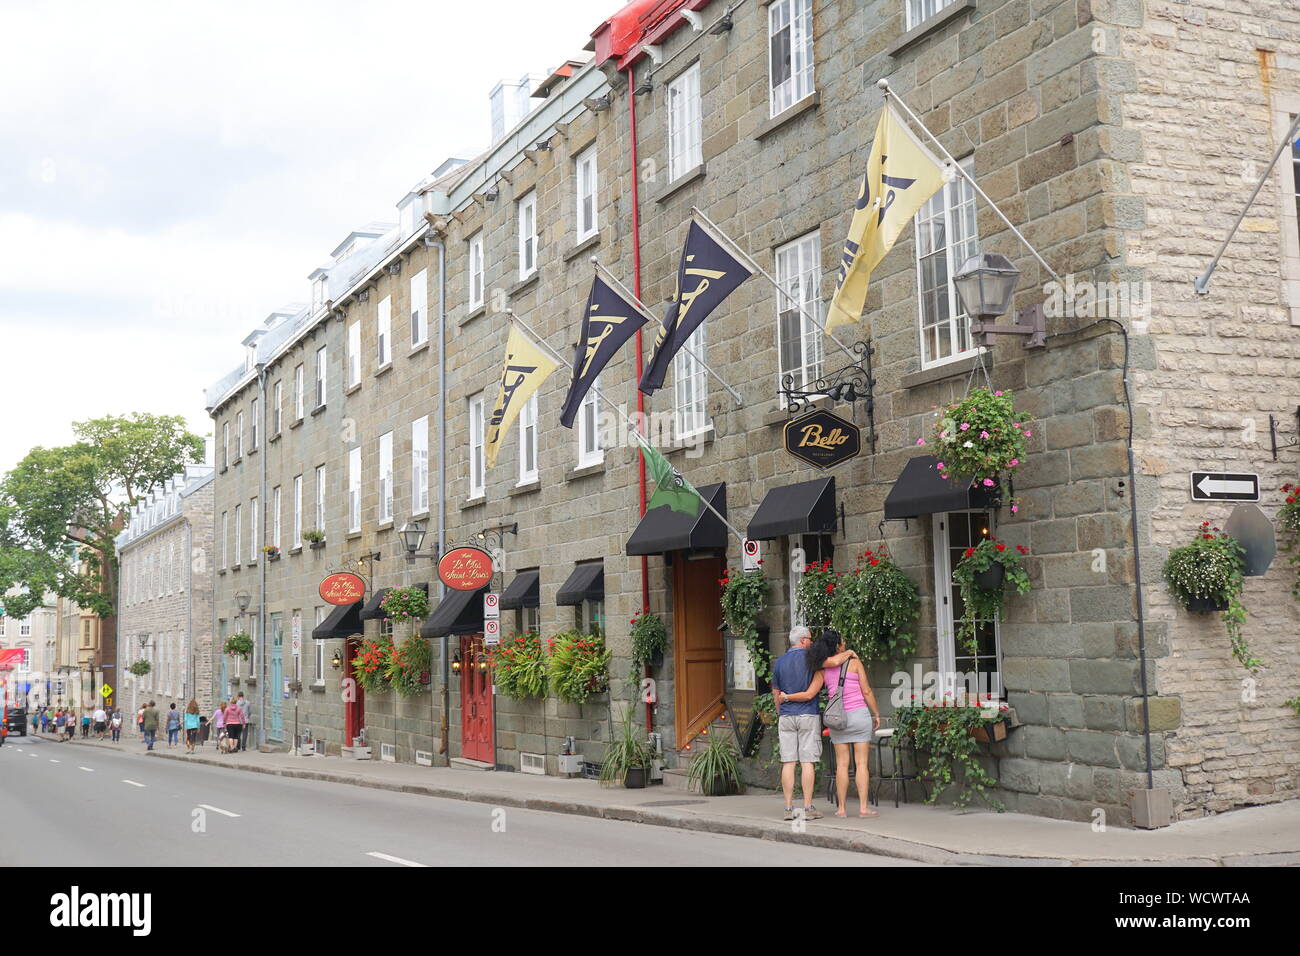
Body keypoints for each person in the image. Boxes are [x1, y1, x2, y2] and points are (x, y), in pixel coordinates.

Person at [780, 630, 882, 818]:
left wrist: (787, 697)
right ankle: (863, 808)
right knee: (861, 763)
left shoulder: (822, 669)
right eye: (843, 642)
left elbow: (810, 693)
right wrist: (875, 713)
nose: (845, 644)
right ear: (838, 646)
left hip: (837, 719)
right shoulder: (855, 663)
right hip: (859, 715)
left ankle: (841, 809)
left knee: (842, 765)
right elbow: (867, 691)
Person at [770, 626, 824, 822]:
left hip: (786, 716)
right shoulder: (813, 660)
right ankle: (807, 808)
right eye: (810, 639)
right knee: (807, 761)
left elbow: (776, 693)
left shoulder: (779, 662)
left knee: (788, 762)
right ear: (802, 640)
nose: (811, 642)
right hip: (807, 714)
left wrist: (781, 711)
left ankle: (788, 808)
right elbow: (811, 693)